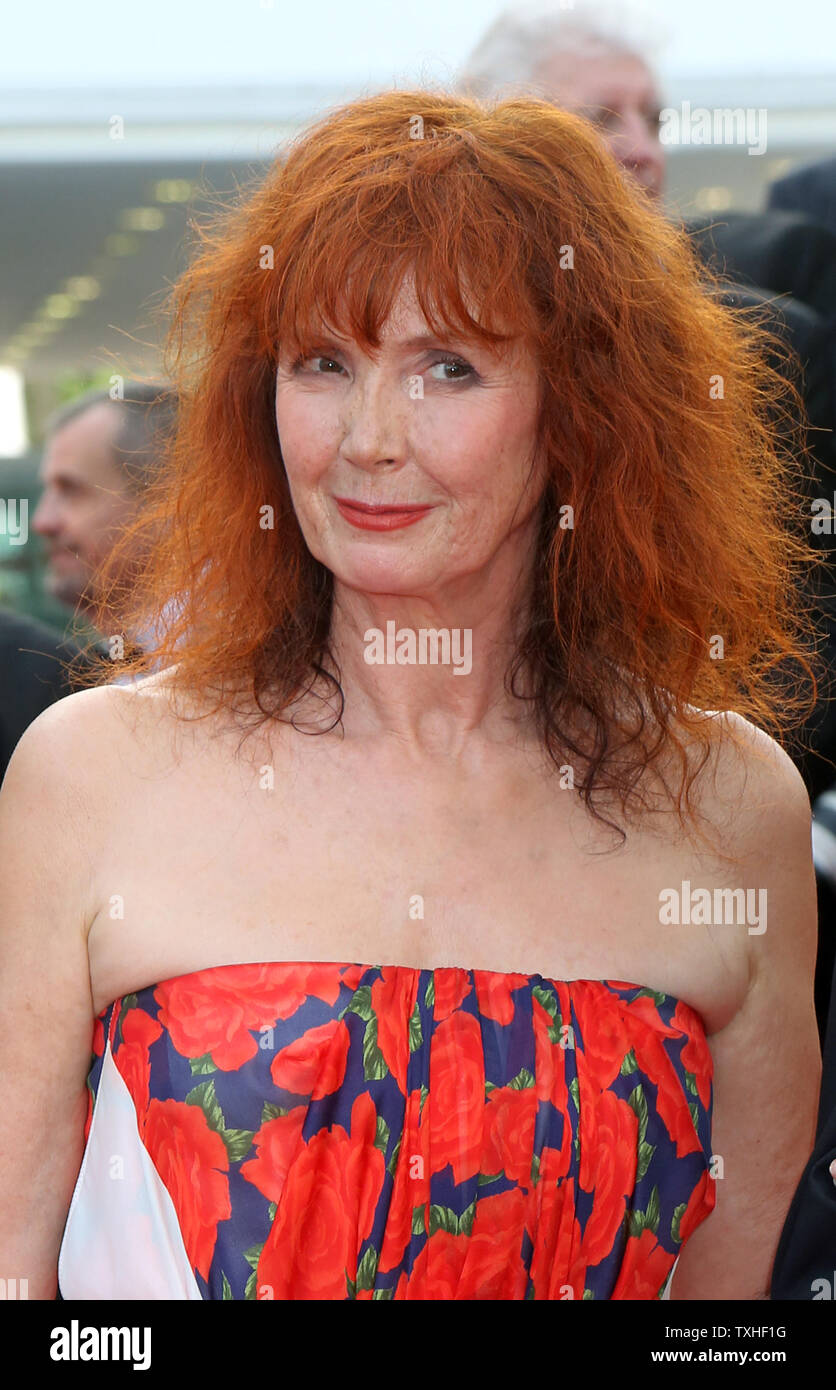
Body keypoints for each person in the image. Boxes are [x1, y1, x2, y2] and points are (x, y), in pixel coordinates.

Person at [0, 88, 823, 1301]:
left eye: (449, 367)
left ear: (583, 413)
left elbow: (730, 1303)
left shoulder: (728, 806)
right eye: (322, 363)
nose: (370, 437)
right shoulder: (93, 776)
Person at [32, 382, 178, 680]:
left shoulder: (225, 680)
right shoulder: (128, 665)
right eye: (48, 491)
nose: (42, 522)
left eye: (71, 490)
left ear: (165, 501)